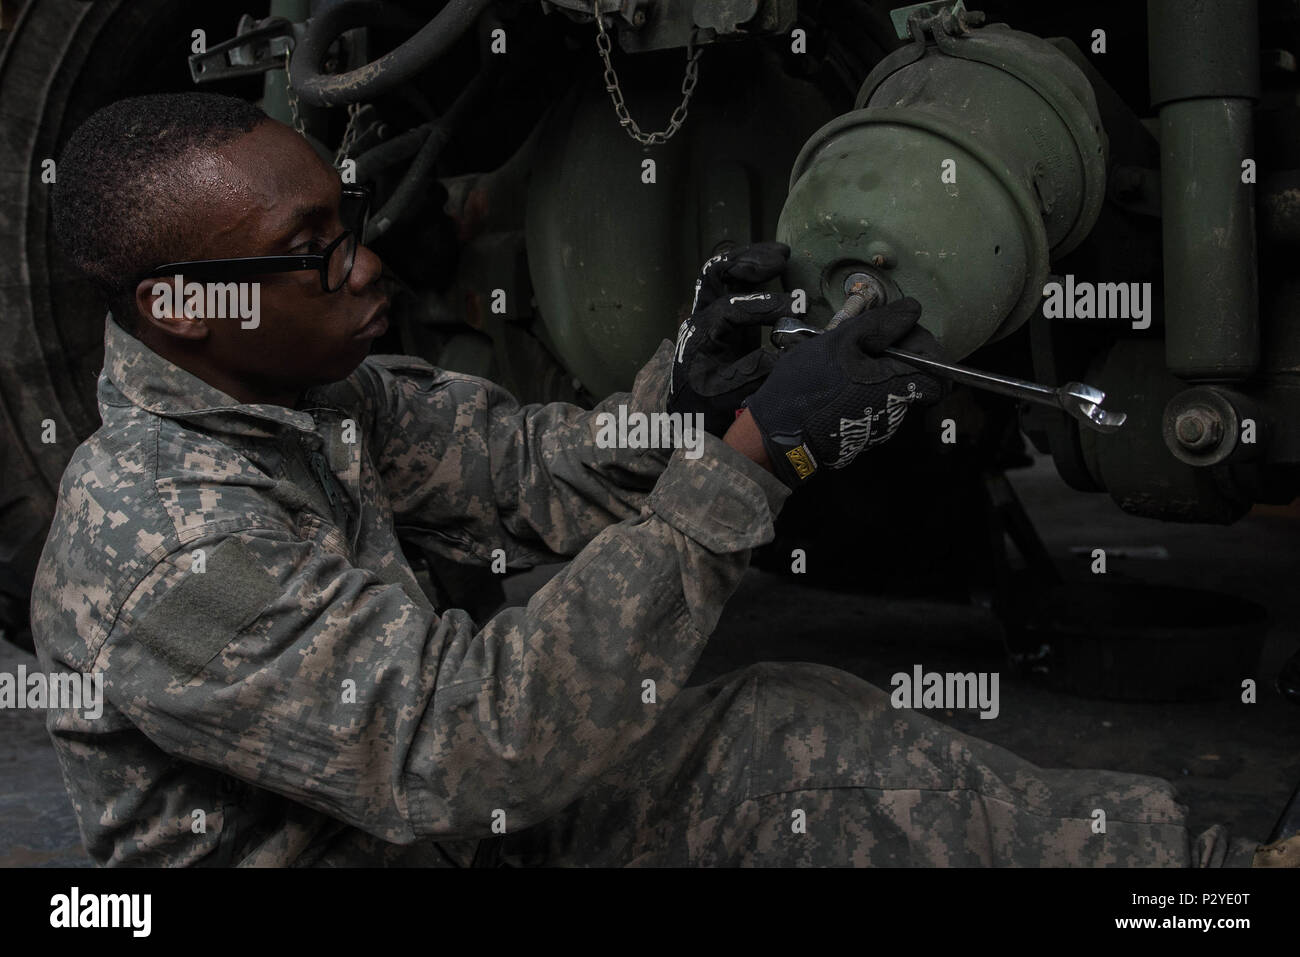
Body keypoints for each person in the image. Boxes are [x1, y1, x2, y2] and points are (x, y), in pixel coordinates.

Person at [30, 92, 1284, 867]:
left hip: (430, 841)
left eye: (346, 227)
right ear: (179, 308)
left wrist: (690, 393)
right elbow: (468, 745)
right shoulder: (162, 544)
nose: (365, 271)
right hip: (419, 823)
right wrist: (754, 461)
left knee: (778, 728)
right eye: (313, 257)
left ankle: (1213, 872)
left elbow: (522, 467)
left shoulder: (302, 402)